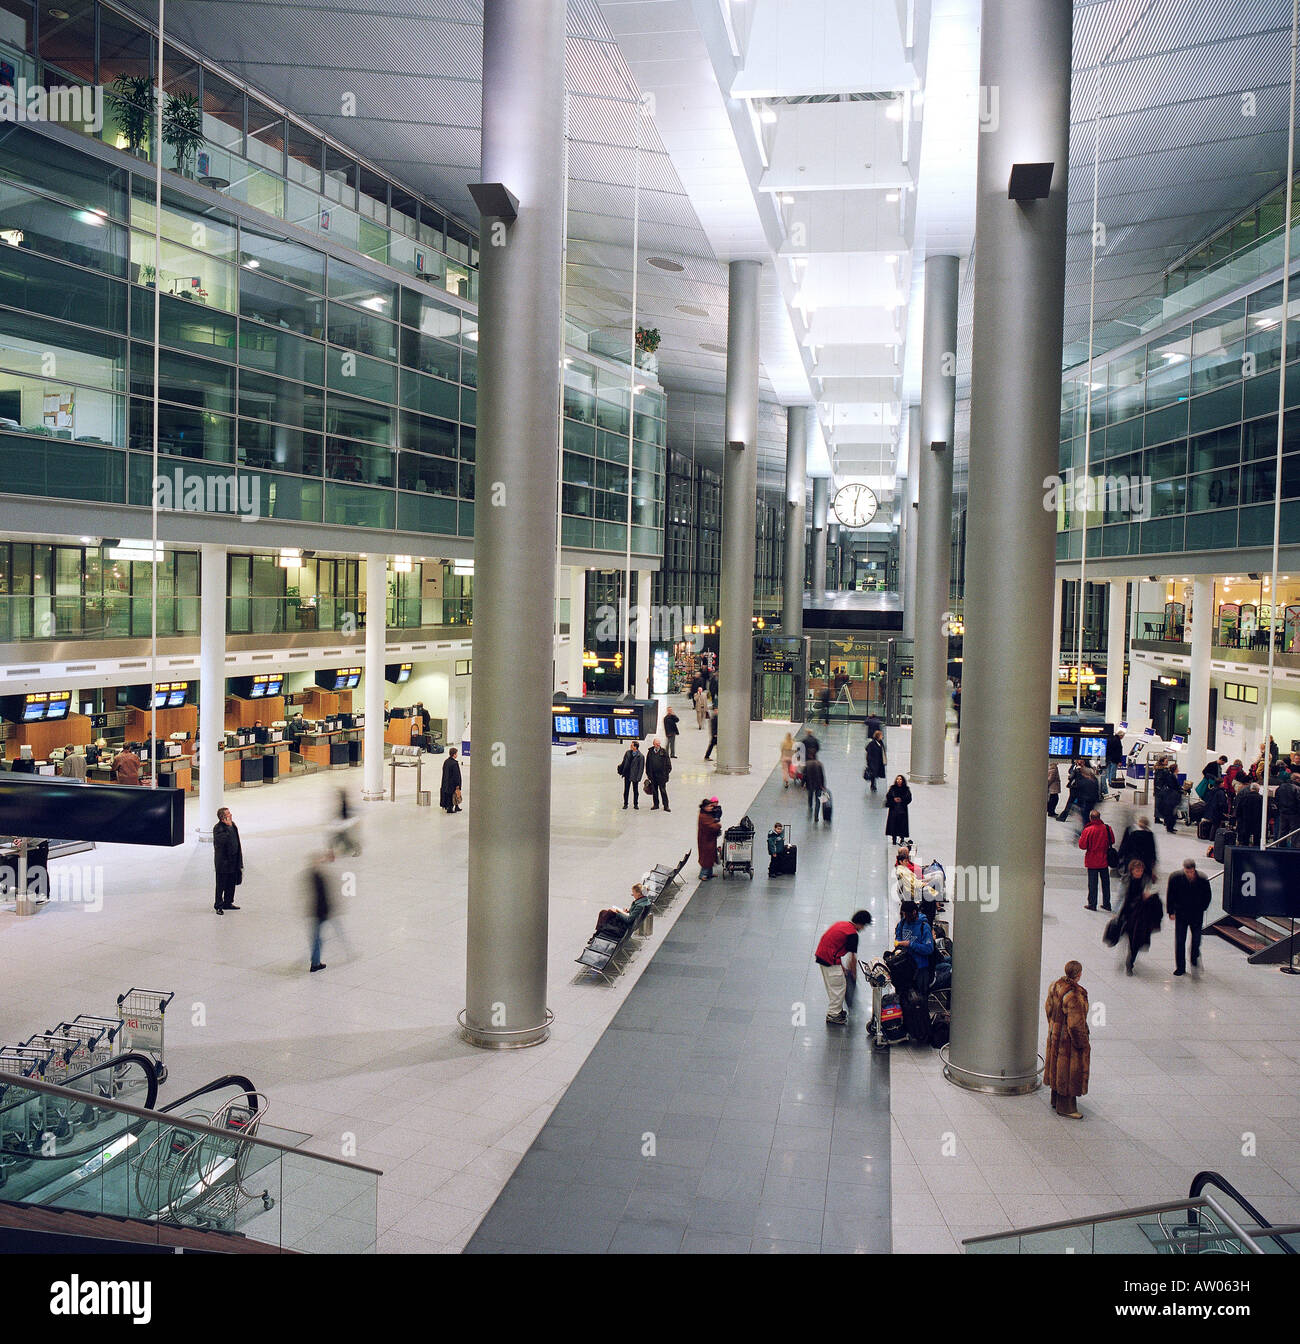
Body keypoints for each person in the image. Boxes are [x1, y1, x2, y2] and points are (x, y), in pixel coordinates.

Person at [1043, 961, 1090, 1119]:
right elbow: (1076, 1024)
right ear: (1079, 975)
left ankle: (1055, 1099)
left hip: (1055, 1035)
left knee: (1056, 1068)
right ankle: (1067, 1108)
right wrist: (1082, 1044)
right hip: (1067, 1042)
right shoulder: (1075, 995)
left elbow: (1048, 1007)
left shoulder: (1056, 985)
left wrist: (1053, 1026)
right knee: (1069, 1073)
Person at [814, 909, 872, 1025]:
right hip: (829, 960)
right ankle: (834, 1015)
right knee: (838, 988)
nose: (863, 929)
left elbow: (835, 947)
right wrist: (854, 974)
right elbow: (852, 959)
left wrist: (842, 968)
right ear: (861, 924)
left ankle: (837, 1011)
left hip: (822, 955)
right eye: (864, 926)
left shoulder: (842, 924)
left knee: (835, 984)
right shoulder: (852, 934)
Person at [1115, 858, 1162, 975]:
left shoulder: (1146, 881)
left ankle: (1130, 962)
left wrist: (1148, 895)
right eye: (1137, 871)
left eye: (1140, 871)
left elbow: (1155, 894)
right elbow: (1121, 898)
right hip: (1128, 913)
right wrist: (1117, 913)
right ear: (1132, 871)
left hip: (1141, 915)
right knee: (1130, 937)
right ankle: (1129, 958)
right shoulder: (1126, 881)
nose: (1139, 873)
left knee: (1136, 940)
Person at [1166, 857, 1212, 976]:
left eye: (1191, 872)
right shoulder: (1175, 878)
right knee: (1180, 940)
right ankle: (1180, 967)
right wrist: (1171, 911)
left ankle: (1194, 958)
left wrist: (1202, 907)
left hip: (1196, 914)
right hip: (1181, 914)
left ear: (1194, 870)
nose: (1189, 874)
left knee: (1196, 939)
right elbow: (1170, 895)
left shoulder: (1202, 879)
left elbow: (1208, 895)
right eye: (1187, 872)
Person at [893, 898, 935, 993]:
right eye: (903, 914)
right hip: (905, 966)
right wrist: (899, 944)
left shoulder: (924, 927)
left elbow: (929, 949)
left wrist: (910, 944)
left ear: (914, 912)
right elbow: (898, 938)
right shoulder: (902, 923)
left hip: (920, 969)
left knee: (918, 998)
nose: (905, 917)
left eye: (906, 914)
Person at [1079, 809, 1115, 912]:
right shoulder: (1107, 828)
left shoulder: (1088, 830)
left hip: (1092, 860)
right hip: (1104, 860)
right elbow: (1112, 840)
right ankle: (1107, 903)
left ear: (1091, 818)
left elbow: (1082, 845)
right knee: (1106, 883)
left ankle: (1092, 904)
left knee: (1092, 884)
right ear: (1099, 817)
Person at [306, 849, 334, 973]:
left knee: (317, 937)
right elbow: (322, 896)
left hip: (316, 911)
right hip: (320, 911)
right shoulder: (318, 877)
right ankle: (315, 963)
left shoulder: (312, 874)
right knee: (318, 938)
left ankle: (315, 959)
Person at [212, 807, 243, 914]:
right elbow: (222, 842)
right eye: (228, 814)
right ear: (222, 817)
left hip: (234, 860)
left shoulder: (233, 825)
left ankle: (228, 902)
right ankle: (218, 906)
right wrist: (229, 828)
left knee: (231, 883)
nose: (230, 815)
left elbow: (236, 841)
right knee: (221, 885)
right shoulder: (218, 828)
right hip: (223, 863)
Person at [1116, 814, 1157, 881]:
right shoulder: (1150, 835)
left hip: (1131, 860)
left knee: (1129, 878)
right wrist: (1153, 863)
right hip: (1144, 861)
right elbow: (1152, 851)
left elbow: (1124, 845)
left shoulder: (1130, 831)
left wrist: (1119, 855)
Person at [697, 798, 721, 880]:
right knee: (706, 857)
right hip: (705, 840)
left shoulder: (708, 814)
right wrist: (718, 825)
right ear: (704, 807)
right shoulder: (703, 816)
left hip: (710, 839)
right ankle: (702, 875)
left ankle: (709, 874)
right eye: (709, 806)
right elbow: (710, 826)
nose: (711, 808)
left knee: (710, 856)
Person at [884, 774, 912, 846]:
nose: (899, 781)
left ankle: (902, 838)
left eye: (900, 779)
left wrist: (902, 800)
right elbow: (888, 796)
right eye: (897, 779)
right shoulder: (892, 789)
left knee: (902, 824)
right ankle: (894, 839)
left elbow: (909, 798)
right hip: (894, 809)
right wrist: (893, 800)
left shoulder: (906, 789)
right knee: (893, 824)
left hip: (902, 810)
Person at [645, 738, 671, 811]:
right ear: (654, 744)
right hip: (653, 776)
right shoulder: (650, 752)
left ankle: (666, 806)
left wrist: (665, 773)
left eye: (659, 744)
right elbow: (647, 764)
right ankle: (656, 805)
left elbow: (668, 764)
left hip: (661, 777)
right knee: (654, 791)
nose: (658, 745)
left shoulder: (664, 752)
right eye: (657, 744)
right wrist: (648, 774)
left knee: (663, 791)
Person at [1275, 769, 1300, 847]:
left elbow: (1276, 799)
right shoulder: (1297, 789)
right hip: (1294, 814)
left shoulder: (1281, 787)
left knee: (1283, 831)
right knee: (1295, 832)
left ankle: (1281, 846)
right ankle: (1294, 848)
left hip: (1283, 812)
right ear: (1297, 779)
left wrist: (1280, 808)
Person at [618, 739, 646, 809]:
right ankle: (625, 803)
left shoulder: (641, 756)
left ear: (635, 747)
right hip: (627, 774)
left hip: (635, 776)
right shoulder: (627, 753)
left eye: (632, 745)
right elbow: (624, 762)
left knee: (635, 791)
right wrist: (621, 769)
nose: (630, 746)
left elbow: (641, 768)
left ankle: (635, 804)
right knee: (626, 790)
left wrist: (639, 778)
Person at [1235, 782, 1263, 848]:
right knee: (1257, 840)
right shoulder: (1261, 798)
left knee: (1245, 839)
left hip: (1245, 821)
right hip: (1257, 821)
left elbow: (1238, 811)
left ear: (1250, 789)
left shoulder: (1244, 798)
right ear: (1258, 790)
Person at [803, 751, 826, 822]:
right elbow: (822, 776)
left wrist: (803, 783)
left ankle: (810, 806)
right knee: (818, 801)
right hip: (818, 785)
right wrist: (823, 785)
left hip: (810, 784)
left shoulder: (807, 764)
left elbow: (804, 775)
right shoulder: (820, 764)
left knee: (810, 796)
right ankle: (816, 816)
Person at [440, 747, 462, 813]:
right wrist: (458, 784)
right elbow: (456, 775)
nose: (457, 755)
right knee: (453, 795)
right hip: (452, 783)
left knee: (450, 794)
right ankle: (450, 808)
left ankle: (456, 806)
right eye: (456, 753)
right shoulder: (454, 763)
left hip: (446, 782)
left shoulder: (446, 762)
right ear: (454, 754)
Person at [865, 729, 886, 794]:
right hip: (873, 761)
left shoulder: (880, 742)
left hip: (878, 761)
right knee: (873, 774)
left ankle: (873, 784)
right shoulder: (872, 744)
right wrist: (869, 762)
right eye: (881, 735)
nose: (882, 737)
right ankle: (873, 785)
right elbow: (868, 751)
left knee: (875, 773)